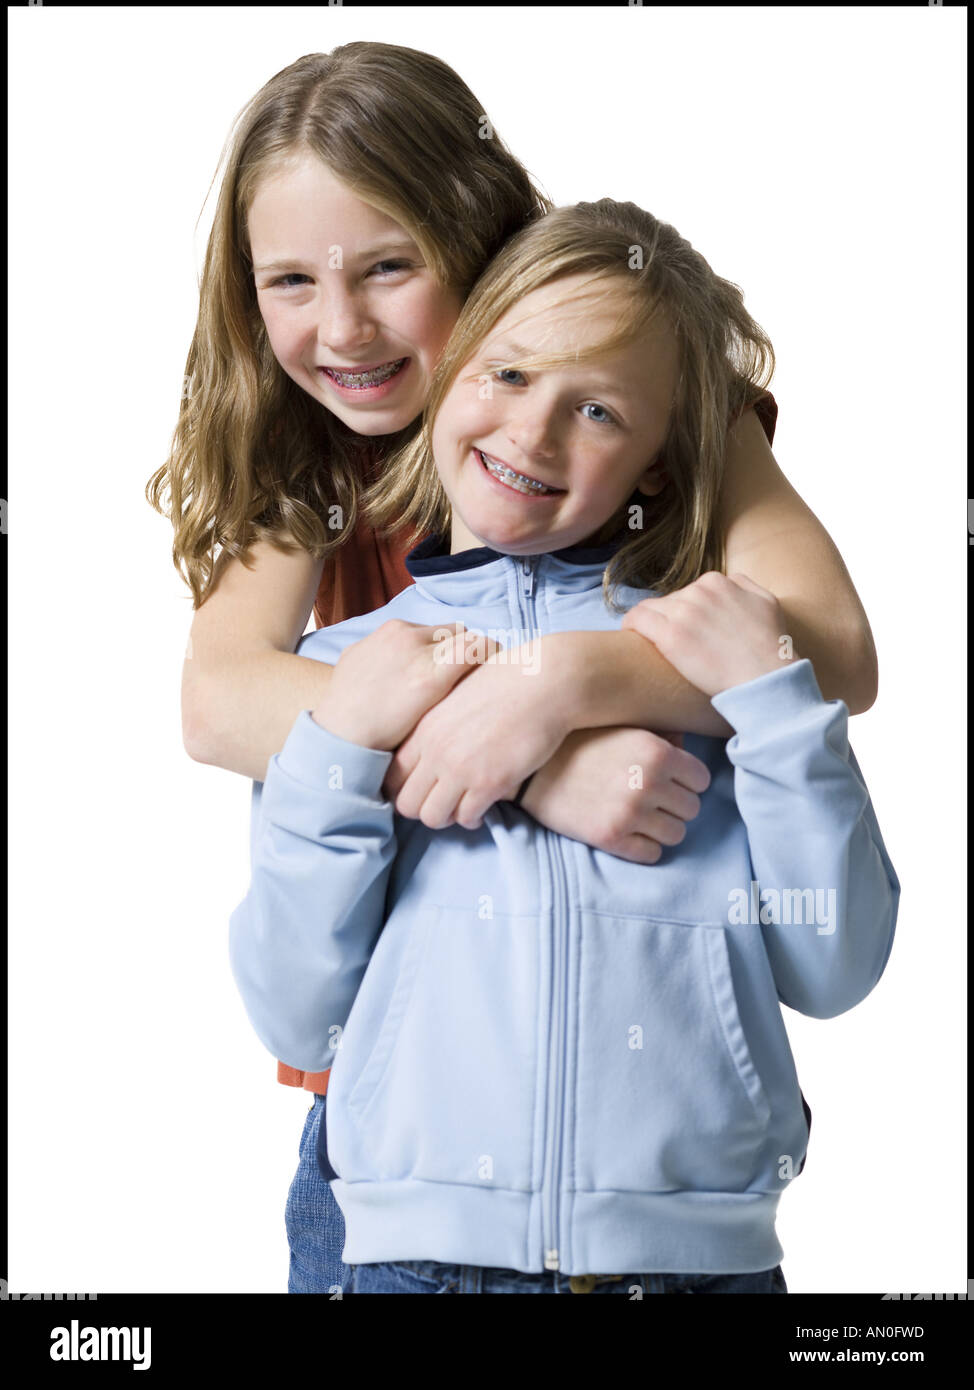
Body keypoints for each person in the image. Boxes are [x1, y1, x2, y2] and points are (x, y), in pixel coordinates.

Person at [148, 44, 879, 1294]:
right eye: (288, 281)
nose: (342, 327)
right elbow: (222, 702)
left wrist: (564, 687)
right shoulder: (301, 447)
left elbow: (828, 651)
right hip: (398, 1129)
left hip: (654, 1160)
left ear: (483, 255)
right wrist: (529, 762)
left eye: (391, 267)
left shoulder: (625, 374)